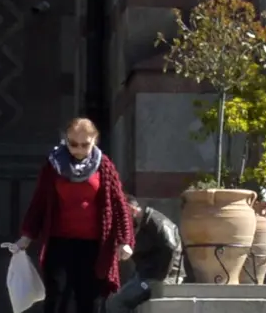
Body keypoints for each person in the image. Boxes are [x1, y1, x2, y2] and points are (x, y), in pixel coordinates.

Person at [19, 117, 136, 313]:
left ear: (95, 141)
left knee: (90, 301)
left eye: (85, 145)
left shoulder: (104, 166)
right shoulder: (53, 166)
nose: (79, 150)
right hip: (59, 243)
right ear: (65, 140)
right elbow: (39, 201)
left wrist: (124, 240)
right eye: (73, 144)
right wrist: (26, 235)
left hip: (94, 247)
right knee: (56, 298)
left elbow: (119, 205)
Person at [105, 195, 183, 313]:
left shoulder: (157, 221)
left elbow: (170, 247)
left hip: (156, 278)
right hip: (145, 276)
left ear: (132, 210)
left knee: (116, 303)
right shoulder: (144, 224)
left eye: (123, 215)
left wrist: (157, 280)